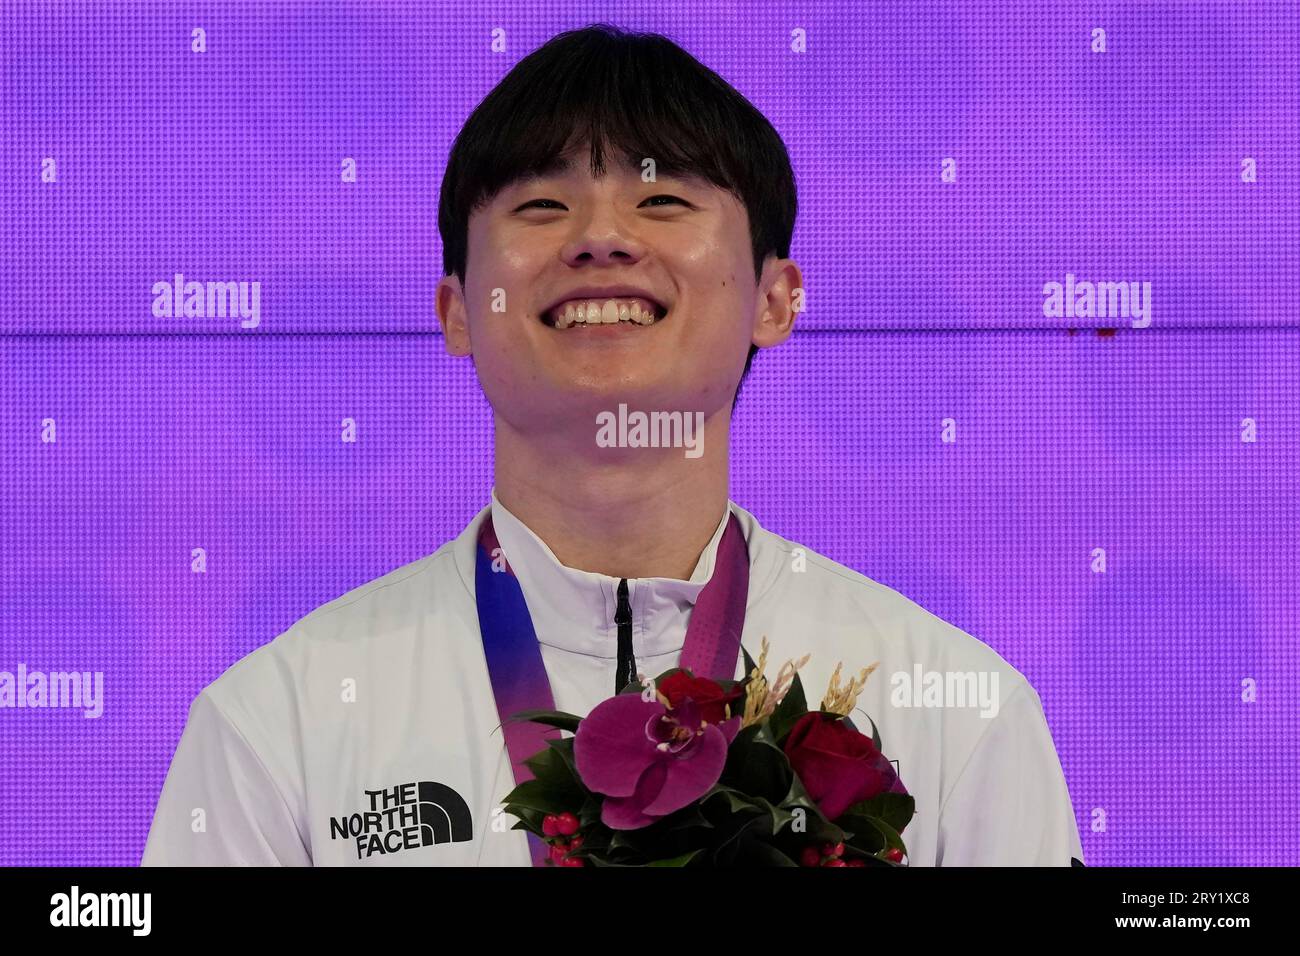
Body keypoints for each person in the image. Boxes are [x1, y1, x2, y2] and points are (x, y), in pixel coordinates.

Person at [142, 23, 1083, 867]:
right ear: (457, 311)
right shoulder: (279, 724)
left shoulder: (962, 713)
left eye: (663, 199)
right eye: (542, 205)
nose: (600, 237)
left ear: (774, 298)